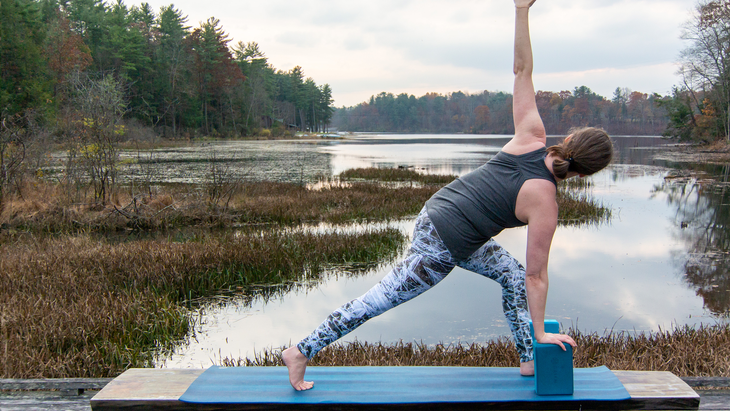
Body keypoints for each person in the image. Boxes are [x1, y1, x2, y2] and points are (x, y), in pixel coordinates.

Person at [282, 0, 613, 391]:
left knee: (508, 274)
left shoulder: (531, 136)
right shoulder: (546, 202)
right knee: (382, 299)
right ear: (586, 174)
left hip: (446, 214)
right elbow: (537, 276)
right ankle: (301, 350)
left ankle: (527, 359)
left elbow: (522, 70)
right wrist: (543, 333)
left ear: (570, 139)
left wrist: (522, 9)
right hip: (442, 238)